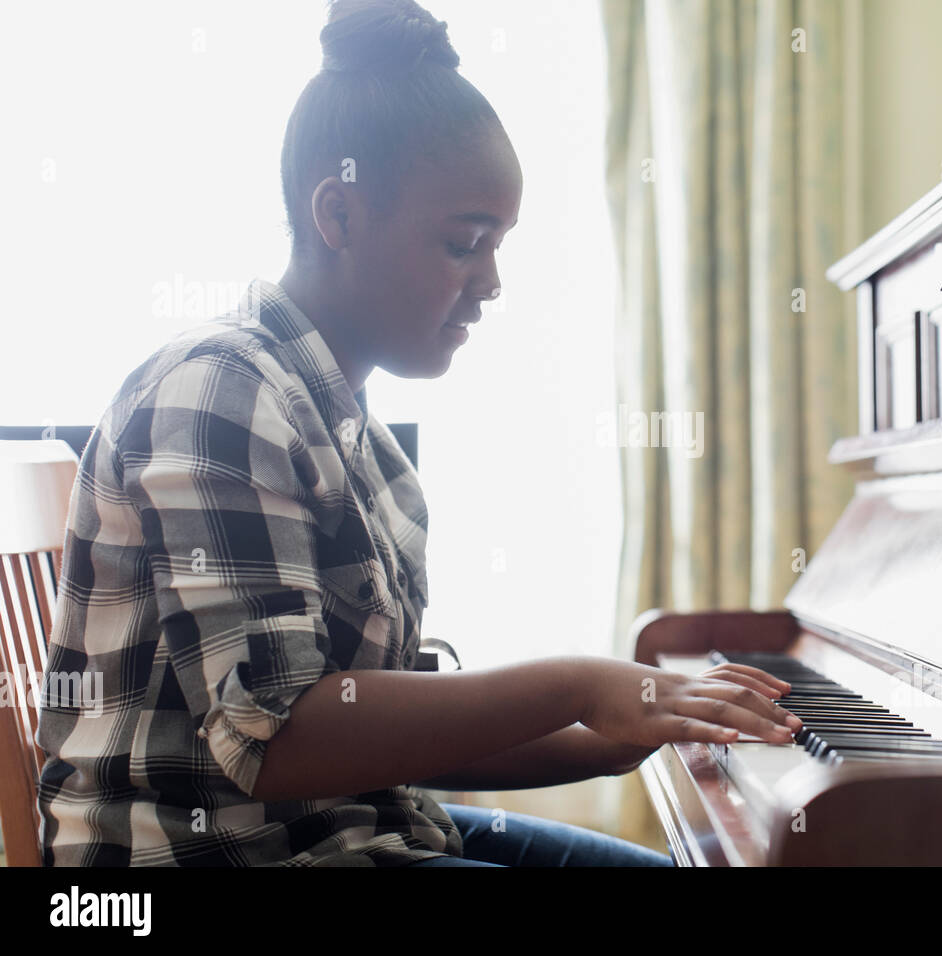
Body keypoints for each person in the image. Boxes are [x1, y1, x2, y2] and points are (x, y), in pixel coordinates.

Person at [35, 0, 801, 867]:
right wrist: (582, 681)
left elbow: (378, 739)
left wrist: (614, 736)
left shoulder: (367, 448)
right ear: (340, 216)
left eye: (498, 245)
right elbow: (277, 740)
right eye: (463, 243)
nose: (492, 283)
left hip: (348, 829)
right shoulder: (218, 391)